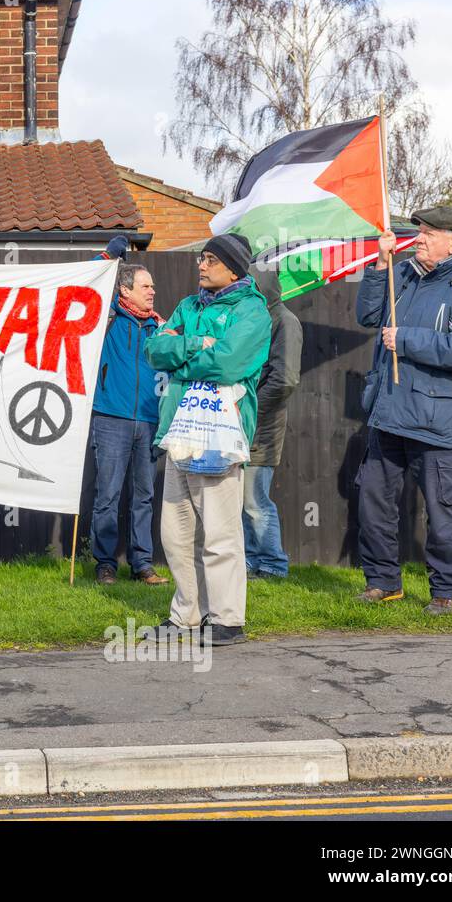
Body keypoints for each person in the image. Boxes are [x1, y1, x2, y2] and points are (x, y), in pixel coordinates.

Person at [355, 206, 452, 615]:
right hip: (388, 413)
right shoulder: (404, 274)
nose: (418, 239)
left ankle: (446, 592)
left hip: (436, 421)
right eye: (419, 232)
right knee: (375, 502)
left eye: (429, 233)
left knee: (443, 510)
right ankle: (383, 582)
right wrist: (381, 265)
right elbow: (366, 314)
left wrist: (408, 340)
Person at [143, 233, 271, 646]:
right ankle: (187, 615)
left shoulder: (253, 312)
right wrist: (198, 343)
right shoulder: (187, 305)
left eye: (211, 259)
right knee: (174, 533)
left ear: (234, 268)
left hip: (220, 434)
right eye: (202, 257)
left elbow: (230, 364)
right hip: (179, 431)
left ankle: (228, 619)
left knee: (220, 532)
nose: (201, 264)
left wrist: (183, 355)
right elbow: (155, 350)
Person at [89, 248, 169, 586]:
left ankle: (142, 565)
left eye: (152, 286)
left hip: (149, 421)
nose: (152, 291)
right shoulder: (106, 319)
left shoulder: (162, 328)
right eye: (145, 286)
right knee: (107, 495)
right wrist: (108, 254)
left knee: (144, 496)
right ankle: (105, 564)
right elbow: (85, 289)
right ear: (124, 290)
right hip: (111, 418)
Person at [243, 265, 303, 578]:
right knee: (243, 500)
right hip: (244, 423)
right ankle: (252, 562)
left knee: (255, 500)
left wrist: (249, 409)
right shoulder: (256, 319)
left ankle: (272, 564)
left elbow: (284, 379)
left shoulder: (284, 321)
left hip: (261, 427)